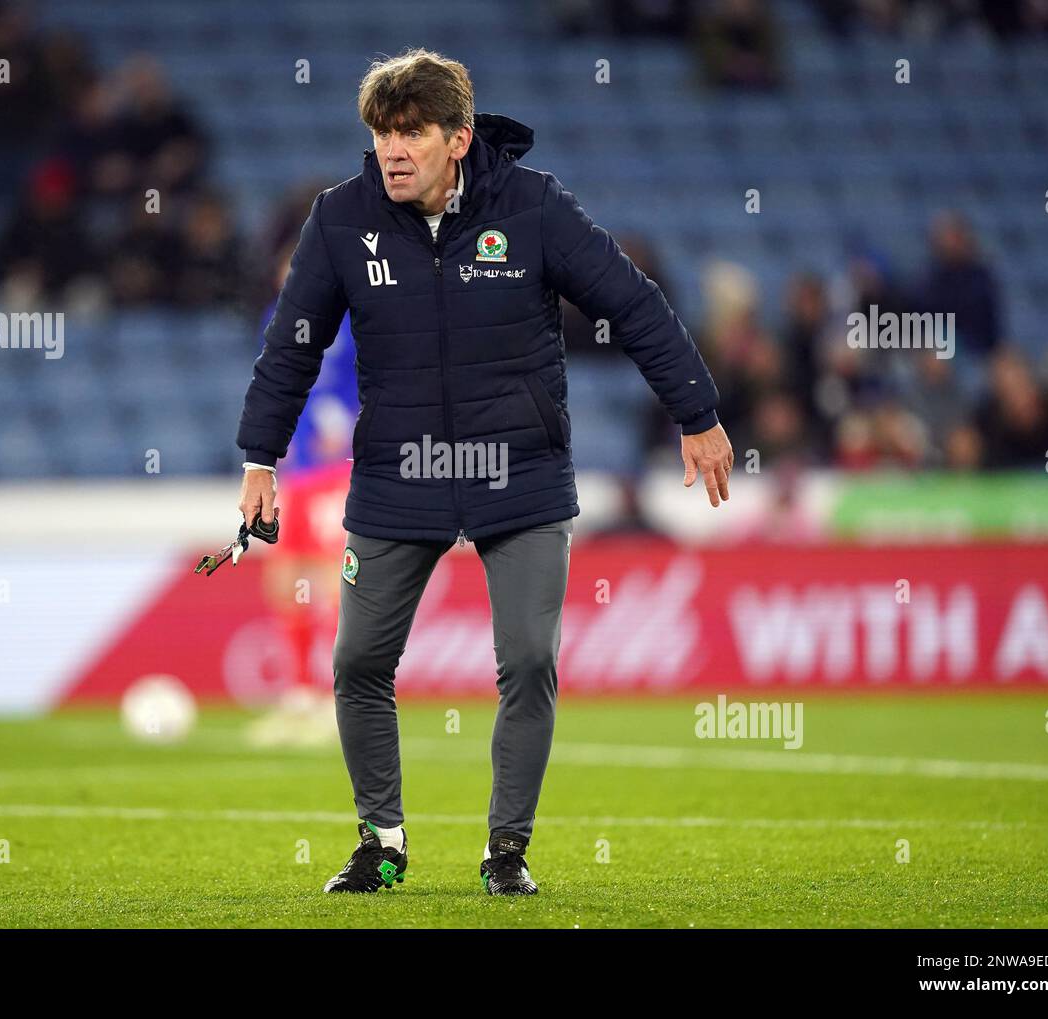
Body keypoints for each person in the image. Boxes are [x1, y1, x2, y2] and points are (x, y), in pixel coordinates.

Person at [236, 49, 731, 896]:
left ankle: (507, 850)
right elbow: (292, 345)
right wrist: (259, 460)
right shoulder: (340, 219)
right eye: (383, 134)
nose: (393, 150)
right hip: (399, 474)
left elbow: (631, 301)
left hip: (521, 470)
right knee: (357, 661)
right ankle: (381, 841)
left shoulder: (533, 208)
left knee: (530, 657)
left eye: (413, 133)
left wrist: (698, 412)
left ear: (458, 138)